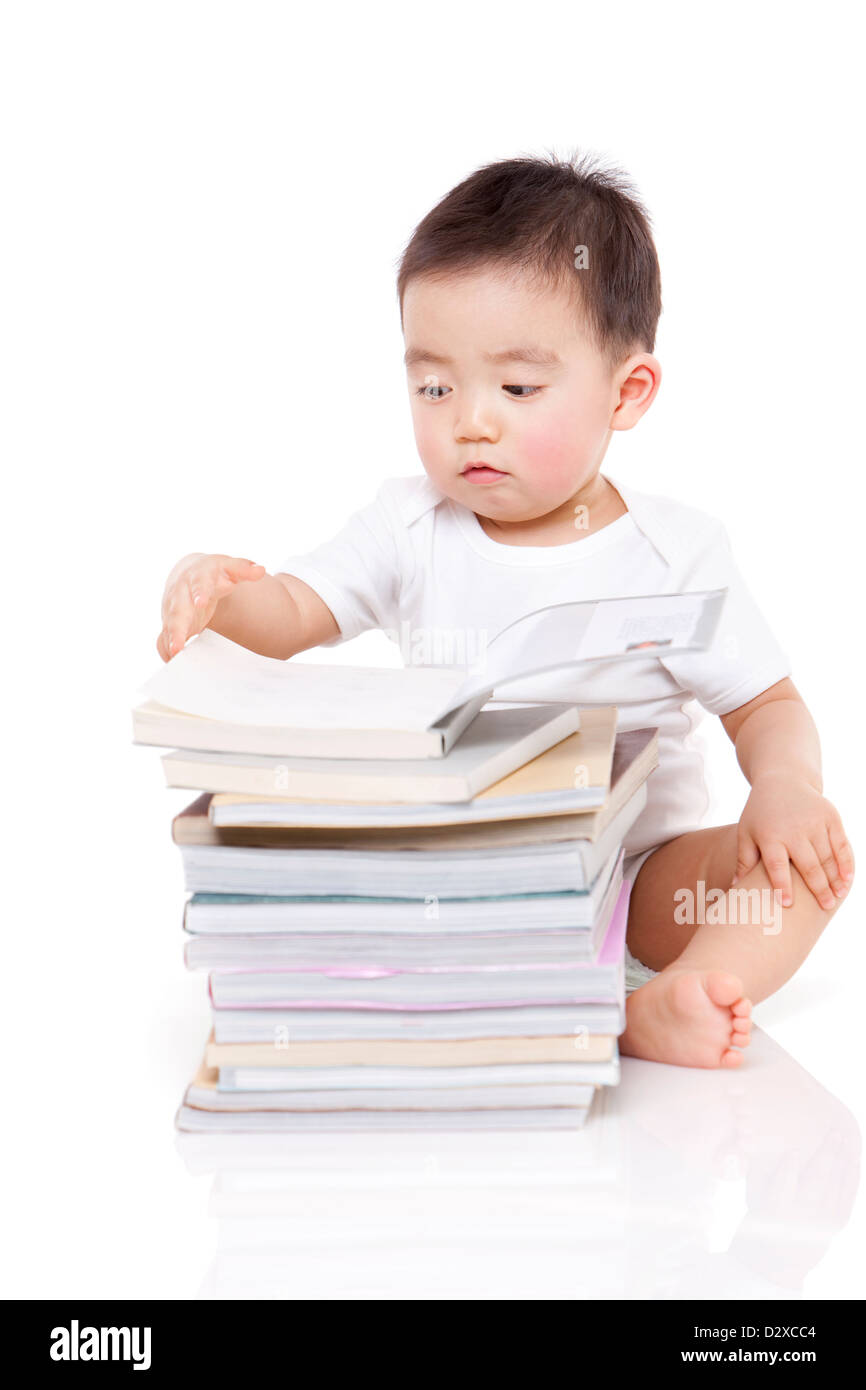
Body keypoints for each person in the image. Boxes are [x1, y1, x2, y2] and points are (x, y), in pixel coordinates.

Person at [155, 151, 854, 1068]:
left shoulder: (674, 553)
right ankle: (441, 991)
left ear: (627, 391)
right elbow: (292, 611)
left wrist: (787, 788)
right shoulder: (409, 525)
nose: (470, 421)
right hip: (462, 880)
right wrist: (220, 592)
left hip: (641, 886)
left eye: (518, 388)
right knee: (337, 888)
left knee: (802, 864)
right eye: (435, 386)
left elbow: (766, 704)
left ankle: (676, 994)